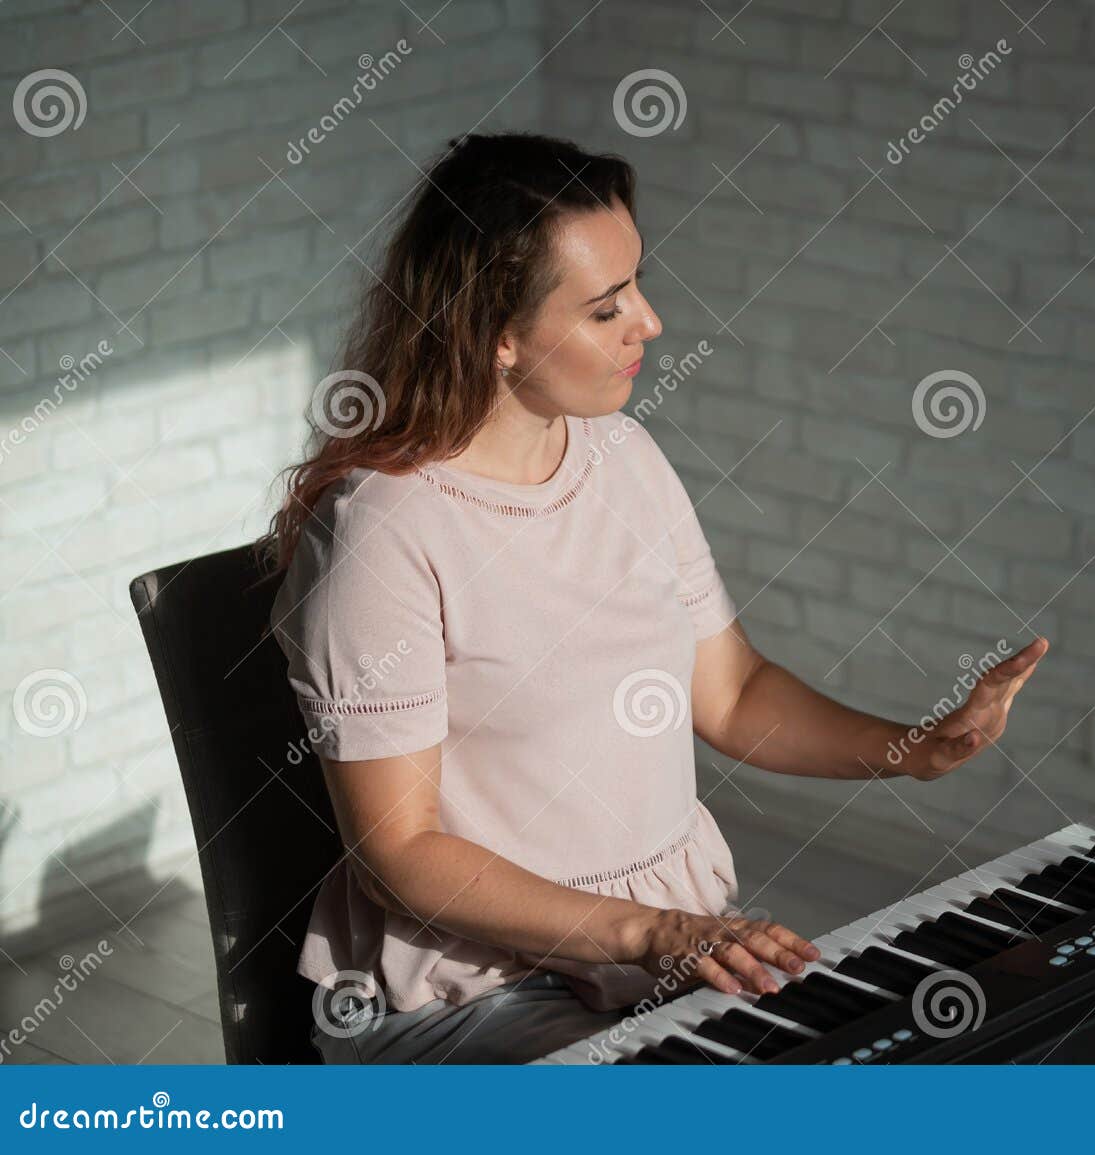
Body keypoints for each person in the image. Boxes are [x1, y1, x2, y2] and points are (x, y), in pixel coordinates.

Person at [260, 131, 1049, 1064]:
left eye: (636, 285)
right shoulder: (383, 532)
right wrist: (653, 933)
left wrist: (910, 750)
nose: (651, 321)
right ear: (497, 335)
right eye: (605, 308)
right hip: (473, 995)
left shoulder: (623, 458)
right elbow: (402, 853)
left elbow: (732, 691)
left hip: (660, 957)